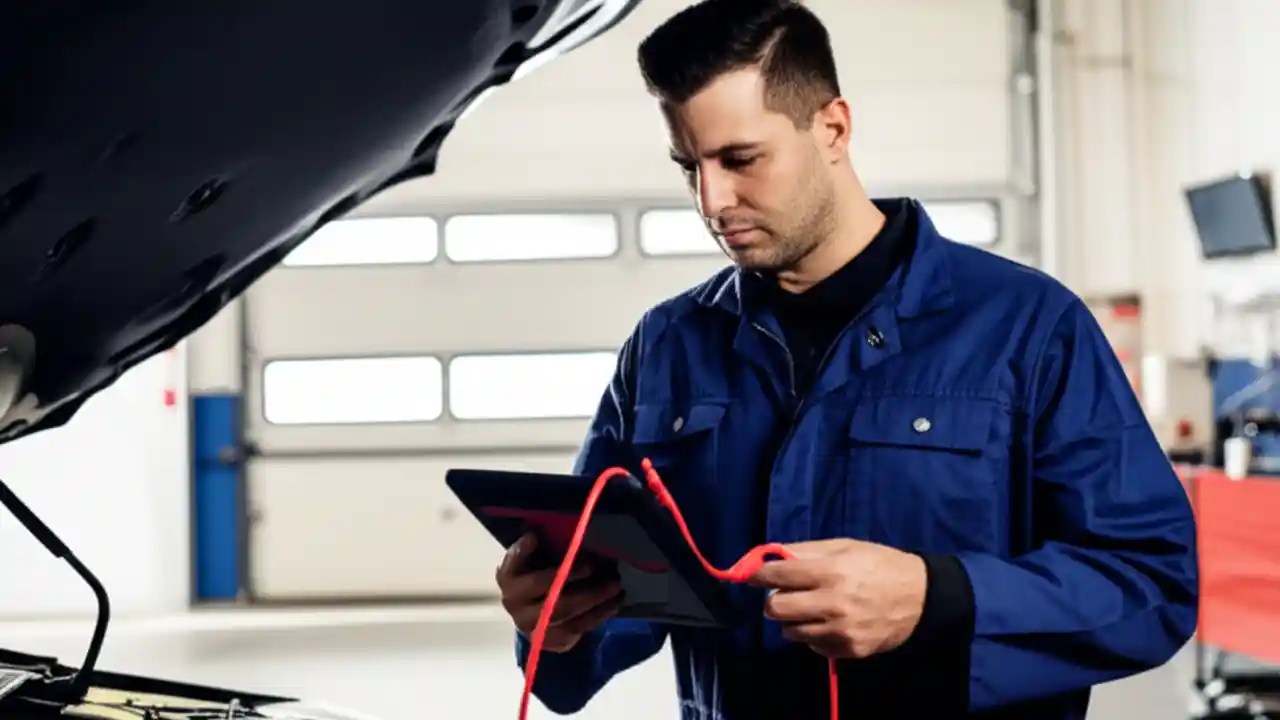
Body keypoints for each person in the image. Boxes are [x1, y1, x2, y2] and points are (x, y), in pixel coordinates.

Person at [495, 0, 1199, 717]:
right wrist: (556, 627)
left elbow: (1151, 582)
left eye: (741, 159)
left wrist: (937, 597)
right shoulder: (666, 347)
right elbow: (617, 591)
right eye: (689, 167)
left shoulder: (1027, 329)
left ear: (832, 128)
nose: (713, 201)